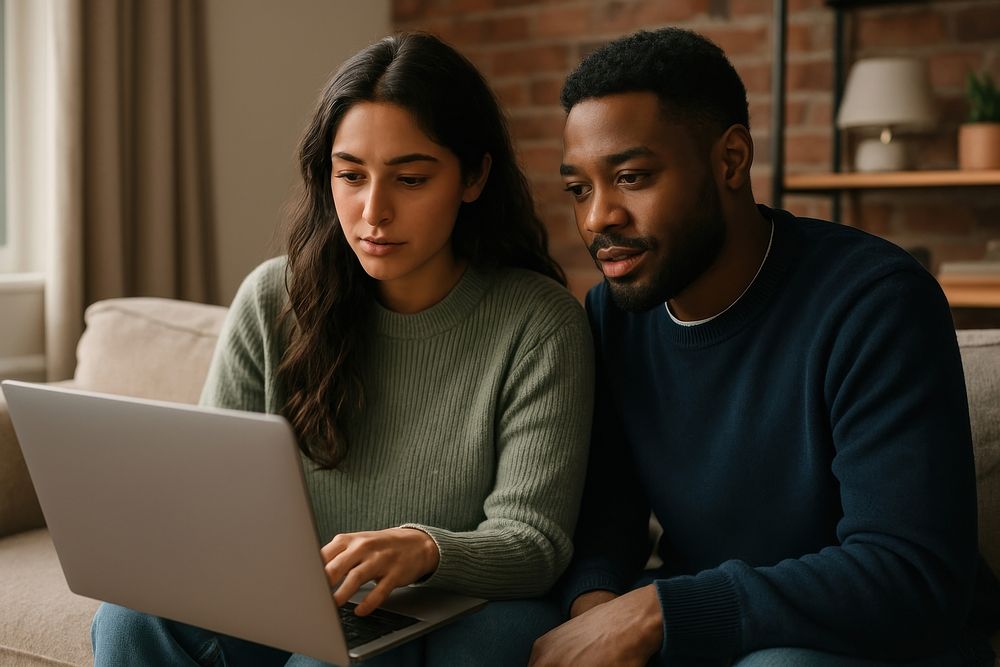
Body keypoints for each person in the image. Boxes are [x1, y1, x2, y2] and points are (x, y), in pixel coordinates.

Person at [91, 32, 594, 666]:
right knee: (128, 621)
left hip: (450, 601)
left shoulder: (539, 323)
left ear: (474, 177)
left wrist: (423, 549)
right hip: (294, 595)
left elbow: (535, 543)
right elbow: (212, 502)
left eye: (410, 179)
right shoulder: (273, 298)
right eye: (350, 175)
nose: (372, 212)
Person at [530, 27, 1000, 667]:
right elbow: (605, 523)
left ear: (730, 159)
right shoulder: (615, 315)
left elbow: (908, 572)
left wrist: (658, 612)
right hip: (714, 628)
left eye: (632, 177)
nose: (596, 218)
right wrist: (597, 615)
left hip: (885, 643)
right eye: (579, 189)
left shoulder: (875, 302)